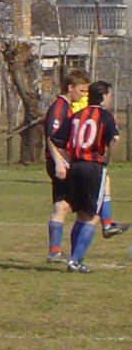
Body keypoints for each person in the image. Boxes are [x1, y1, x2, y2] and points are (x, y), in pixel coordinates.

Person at [43, 70, 125, 263]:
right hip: (75, 164)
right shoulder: (60, 108)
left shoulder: (76, 112)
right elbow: (52, 138)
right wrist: (60, 163)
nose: (83, 94)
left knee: (67, 207)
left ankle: (59, 251)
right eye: (81, 90)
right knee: (87, 213)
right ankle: (103, 227)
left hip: (75, 164)